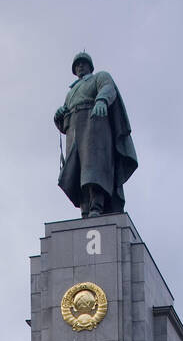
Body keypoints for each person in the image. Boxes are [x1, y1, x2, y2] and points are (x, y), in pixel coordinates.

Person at [54, 52, 138, 218]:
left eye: (83, 63)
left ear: (90, 66)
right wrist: (59, 115)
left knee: (93, 169)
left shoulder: (99, 77)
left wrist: (102, 100)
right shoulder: (70, 93)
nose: (80, 66)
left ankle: (96, 207)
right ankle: (85, 210)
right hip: (74, 131)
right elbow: (63, 123)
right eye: (77, 64)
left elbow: (108, 88)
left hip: (94, 125)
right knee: (77, 171)